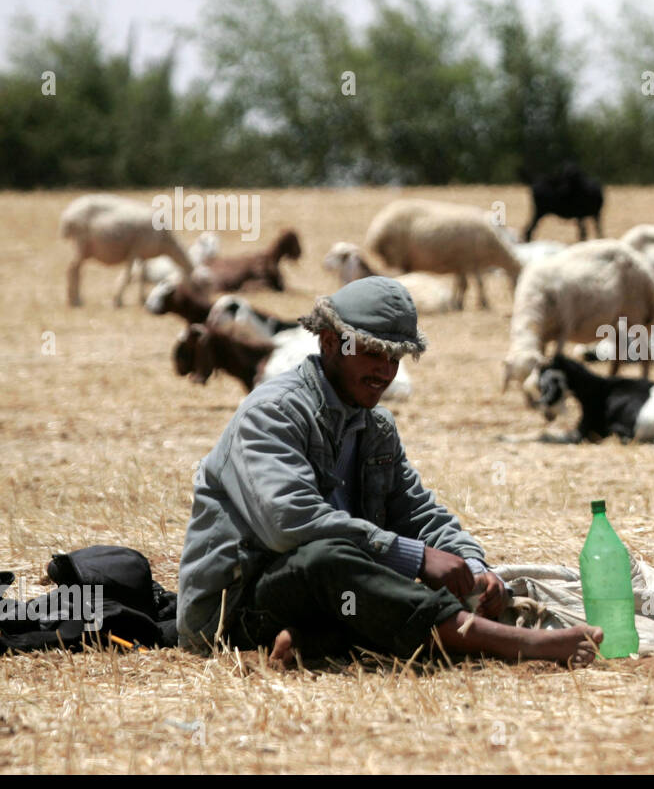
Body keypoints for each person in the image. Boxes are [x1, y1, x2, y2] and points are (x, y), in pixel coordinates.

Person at [176, 276, 601, 666]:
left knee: (368, 568)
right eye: (371, 351)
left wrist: (472, 567)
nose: (385, 370)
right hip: (232, 614)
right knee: (329, 557)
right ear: (328, 342)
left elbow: (418, 514)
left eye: (395, 356)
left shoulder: (374, 426)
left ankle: (308, 642)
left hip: (327, 594)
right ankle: (503, 642)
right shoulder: (274, 412)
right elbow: (290, 523)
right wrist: (415, 556)